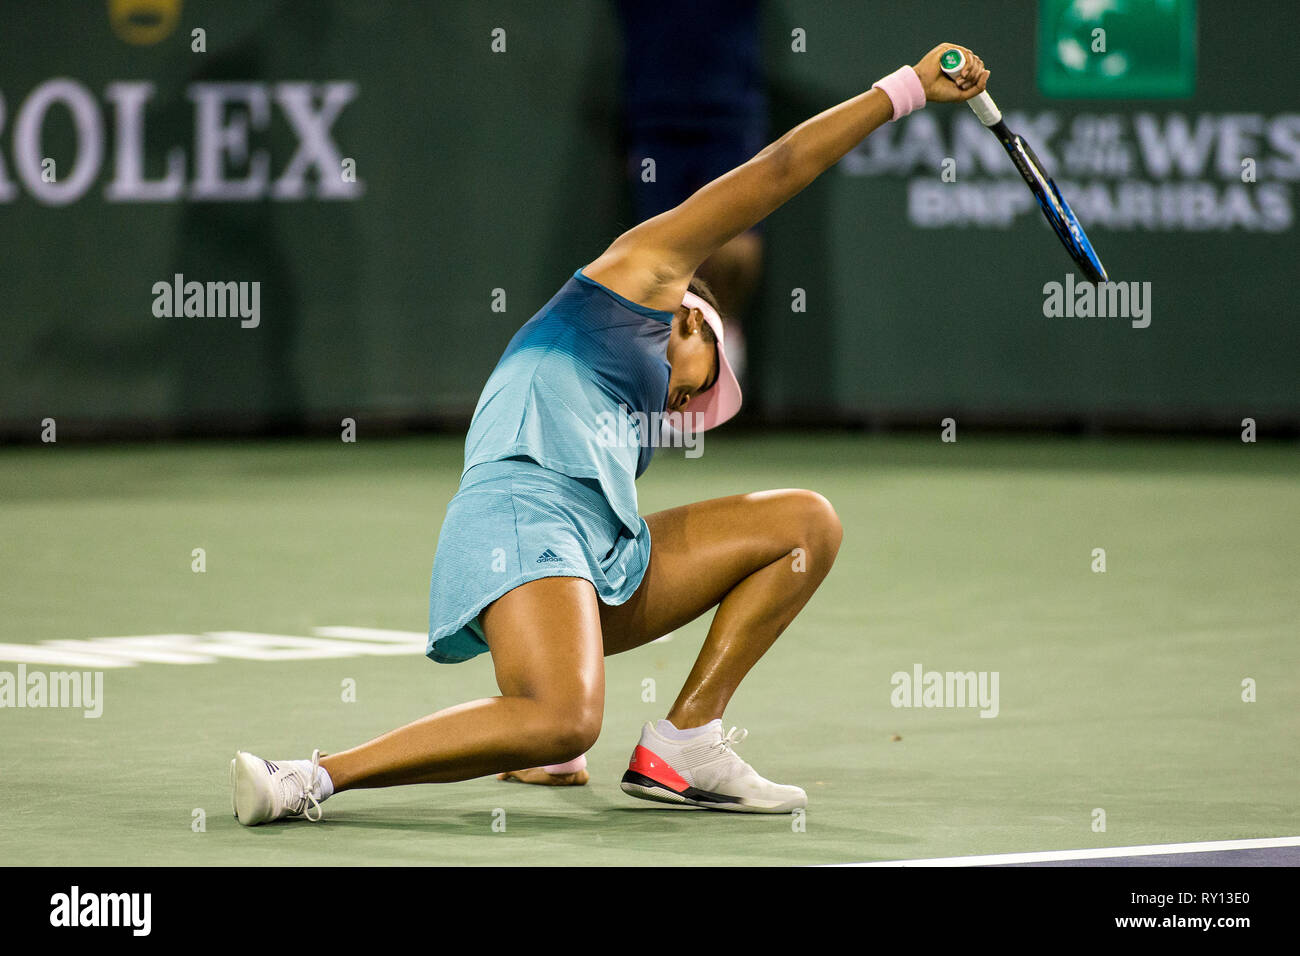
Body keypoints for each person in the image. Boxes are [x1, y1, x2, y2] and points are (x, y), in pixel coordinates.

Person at [230, 43, 990, 824]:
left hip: (593, 551)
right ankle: (311, 776)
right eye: (698, 380)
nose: (686, 400)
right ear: (697, 316)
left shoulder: (632, 412)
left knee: (805, 524)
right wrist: (901, 91)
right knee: (566, 716)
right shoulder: (647, 269)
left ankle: (685, 740)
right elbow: (779, 168)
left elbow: (600, 499)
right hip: (520, 517)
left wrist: (544, 747)